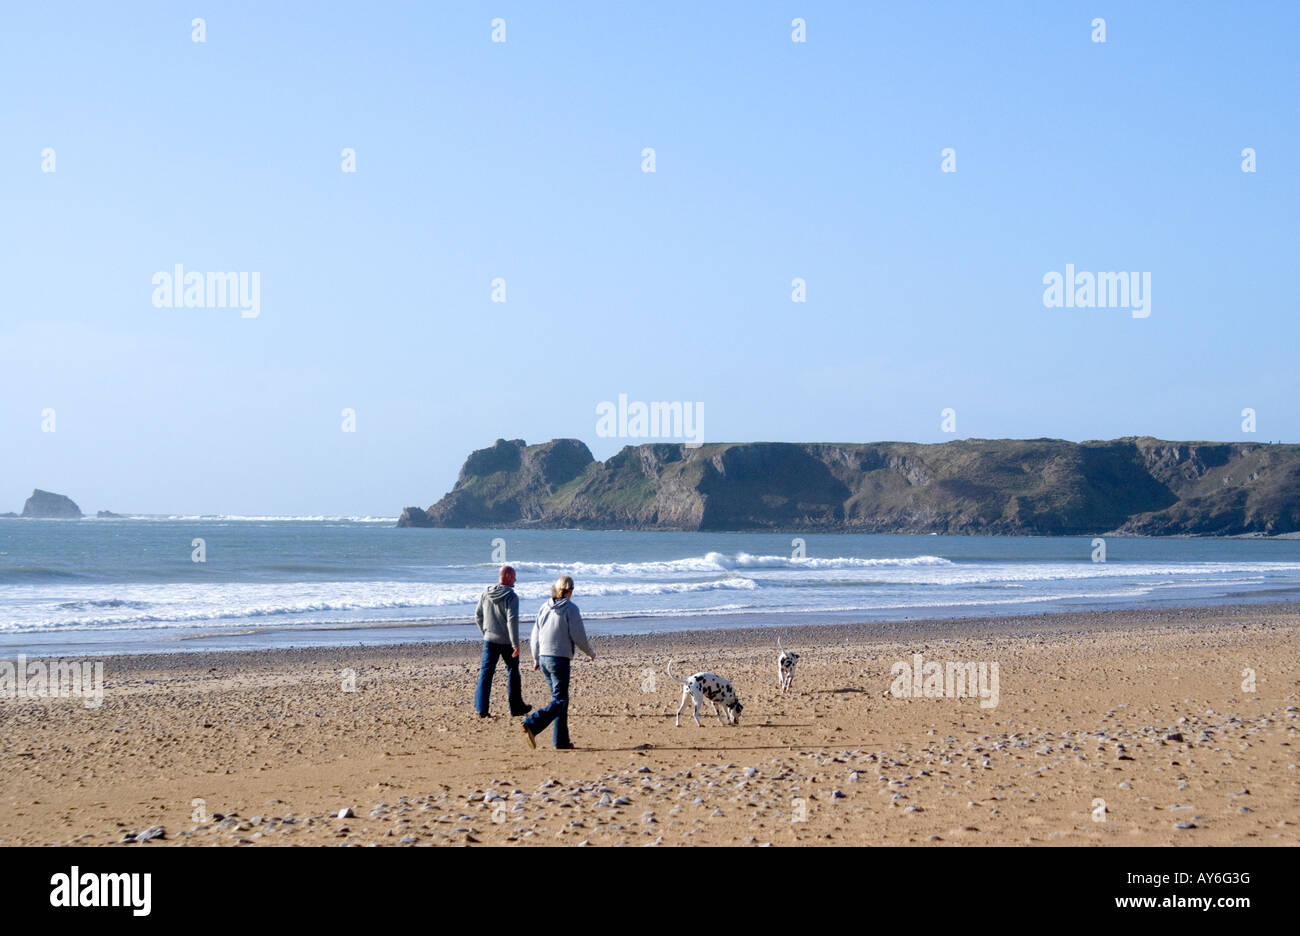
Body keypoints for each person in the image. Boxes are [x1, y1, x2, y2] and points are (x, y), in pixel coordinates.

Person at [522, 575, 595, 750]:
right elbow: (578, 635)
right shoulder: (571, 609)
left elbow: (535, 635)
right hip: (559, 658)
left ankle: (561, 741)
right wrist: (590, 652)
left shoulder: (544, 607)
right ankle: (532, 723)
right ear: (570, 590)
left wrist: (535, 657)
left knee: (560, 700)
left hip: (544, 658)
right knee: (560, 700)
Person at [473, 565, 531, 718]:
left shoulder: (486, 592)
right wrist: (515, 644)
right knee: (513, 671)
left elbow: (477, 616)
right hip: (506, 642)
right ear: (508, 577)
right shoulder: (511, 597)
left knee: (486, 673)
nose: (516, 580)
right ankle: (516, 707)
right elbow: (512, 621)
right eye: (514, 577)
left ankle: (481, 709)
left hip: (489, 640)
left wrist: (485, 632)